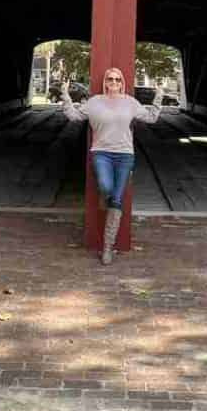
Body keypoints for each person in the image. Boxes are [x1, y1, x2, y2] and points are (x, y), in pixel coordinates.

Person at [61, 67, 162, 264]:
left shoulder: (130, 103)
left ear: (122, 82)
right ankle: (104, 195)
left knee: (117, 198)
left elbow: (151, 118)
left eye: (117, 79)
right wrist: (65, 94)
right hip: (102, 153)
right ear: (105, 82)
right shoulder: (94, 102)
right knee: (106, 187)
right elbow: (74, 116)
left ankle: (107, 247)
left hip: (125, 155)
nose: (114, 82)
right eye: (110, 79)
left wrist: (158, 96)